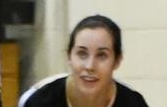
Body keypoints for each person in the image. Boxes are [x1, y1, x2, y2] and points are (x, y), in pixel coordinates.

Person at [17, 14, 148, 107]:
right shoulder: (39, 102)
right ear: (69, 56)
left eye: (102, 55)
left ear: (117, 61)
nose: (90, 66)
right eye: (82, 53)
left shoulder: (133, 103)